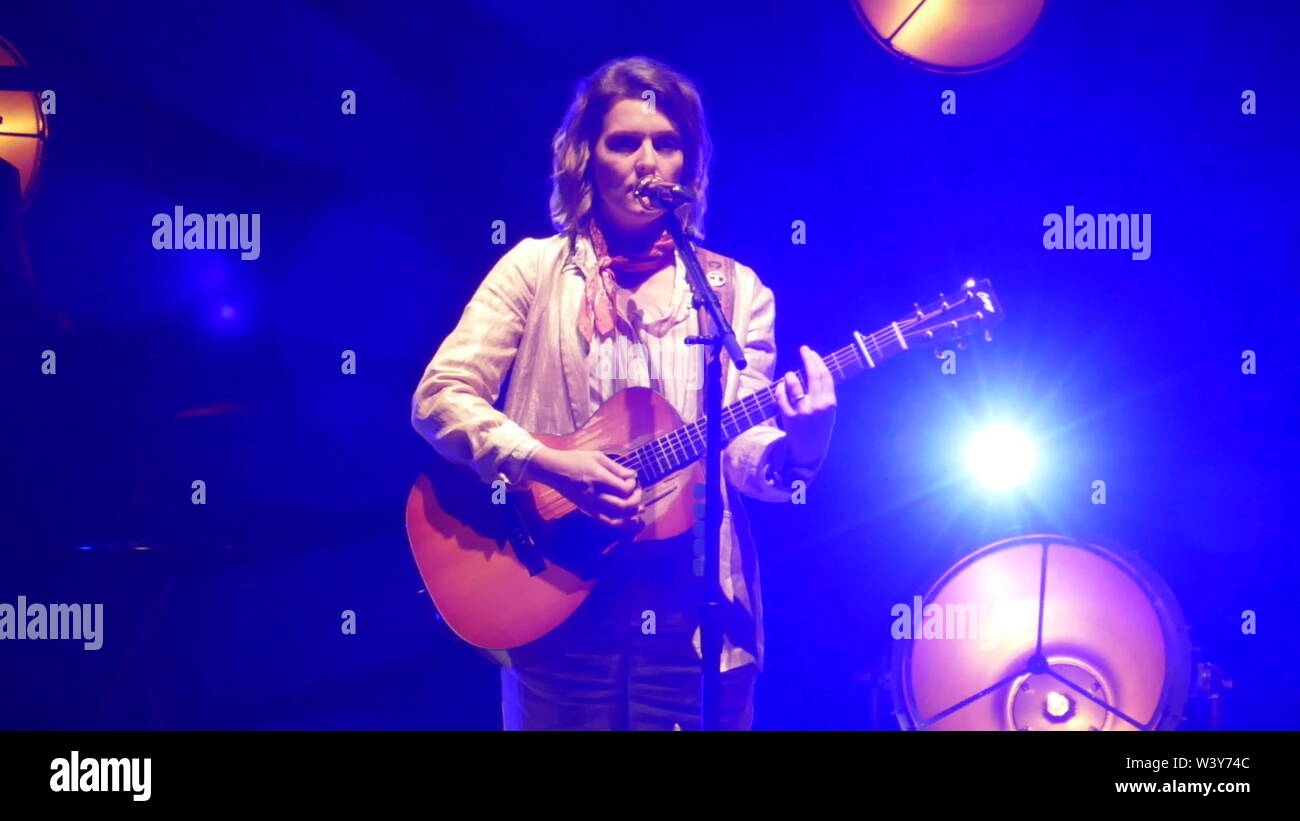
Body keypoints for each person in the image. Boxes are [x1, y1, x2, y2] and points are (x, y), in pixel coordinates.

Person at [411, 55, 836, 730]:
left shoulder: (734, 292)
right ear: (586, 156)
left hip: (693, 620)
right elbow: (440, 396)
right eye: (623, 142)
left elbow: (741, 451)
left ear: (689, 166)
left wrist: (804, 444)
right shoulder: (535, 269)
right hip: (553, 596)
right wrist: (549, 463)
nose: (646, 162)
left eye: (667, 144)